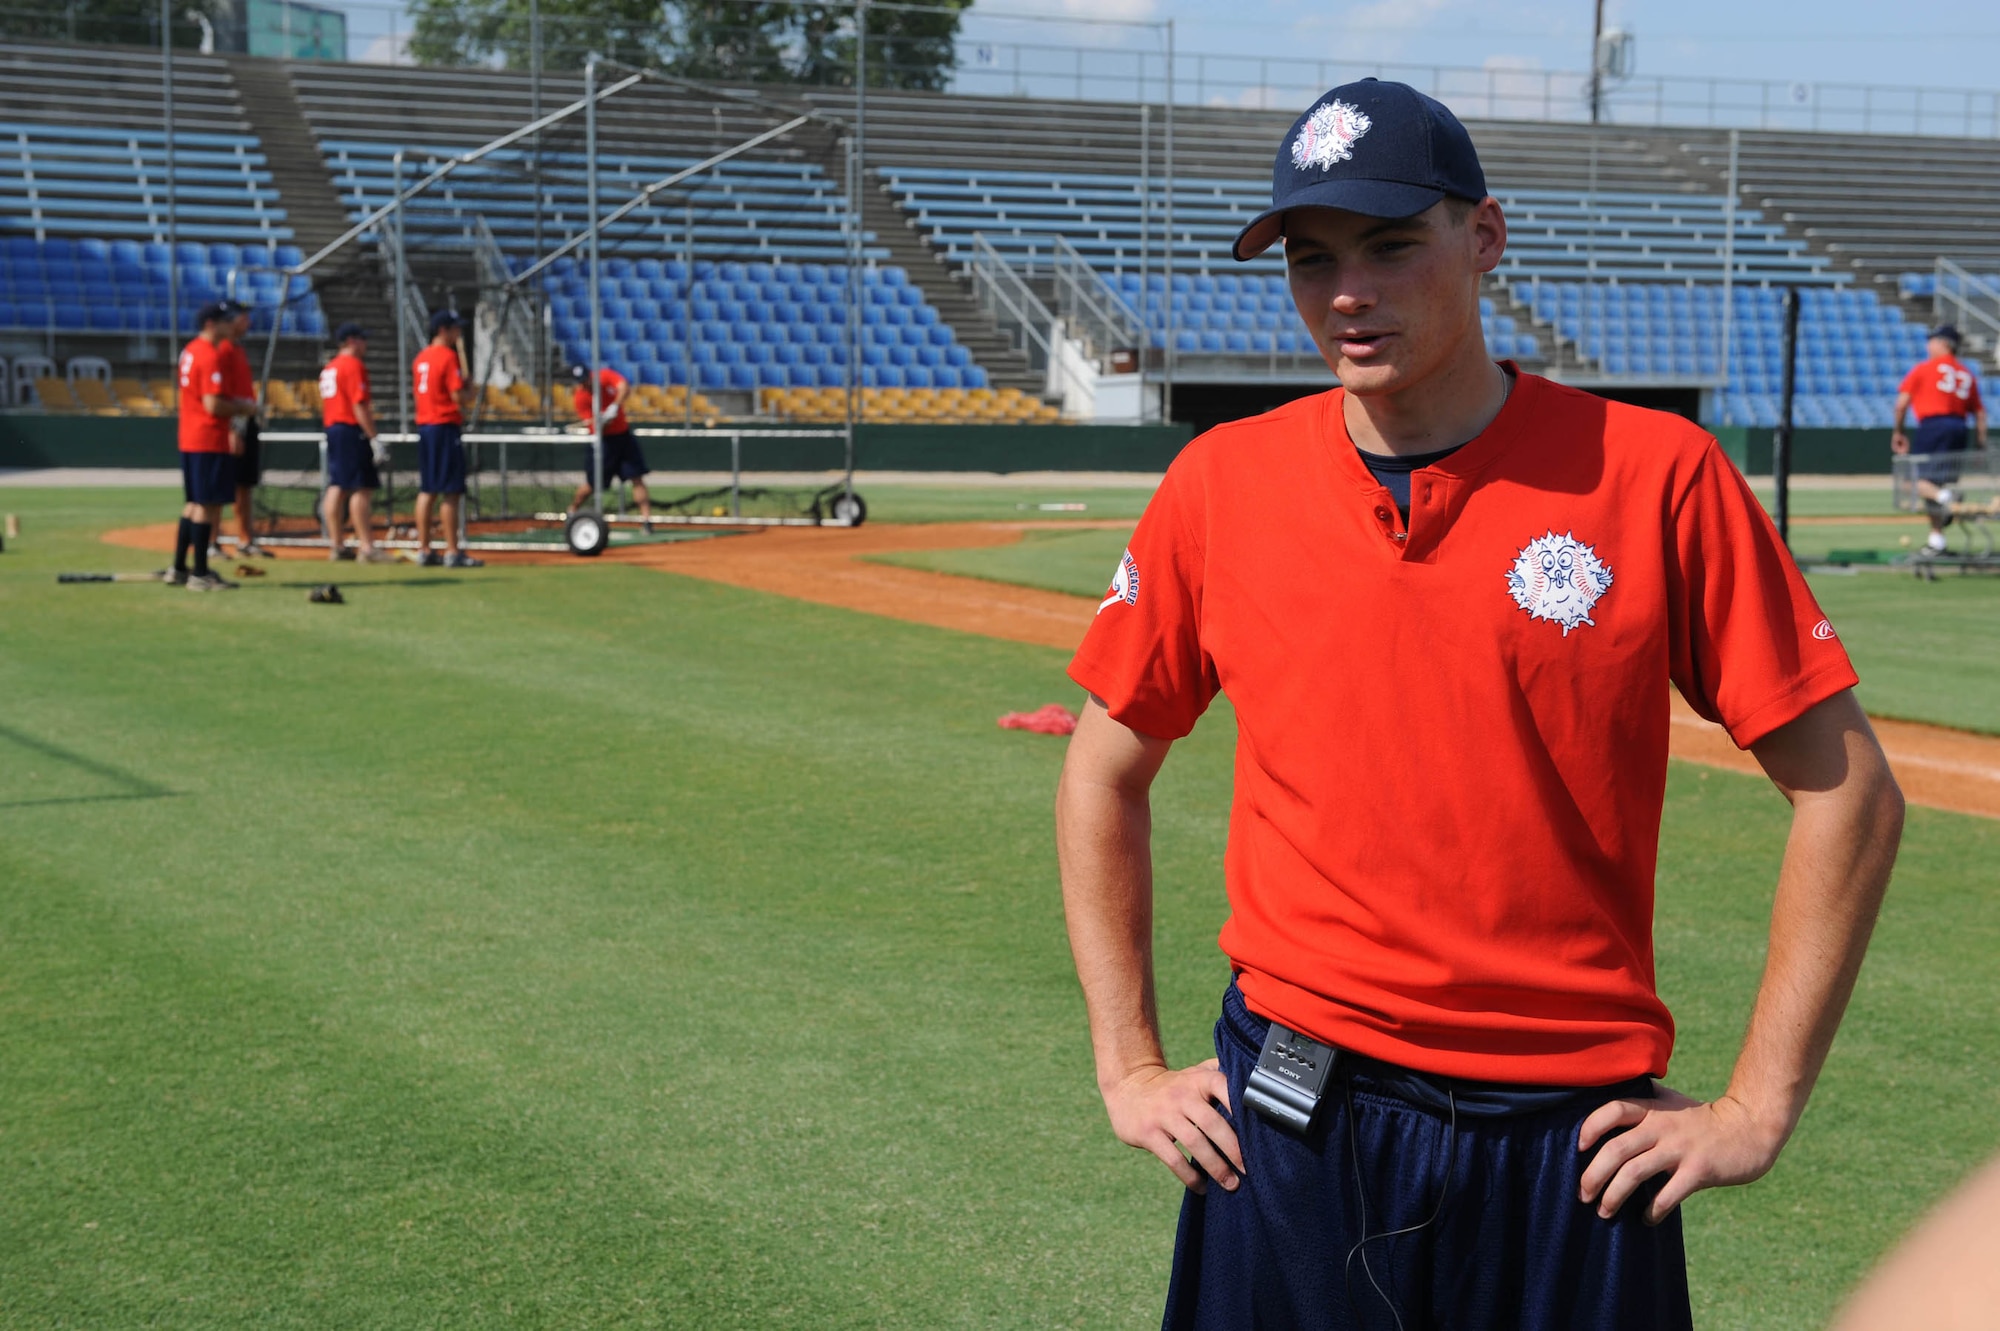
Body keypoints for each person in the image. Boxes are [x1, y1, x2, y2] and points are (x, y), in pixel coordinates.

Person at [1054, 79, 1906, 1330]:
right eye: (1311, 258)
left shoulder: (1653, 475)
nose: (1347, 292)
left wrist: (1753, 1105)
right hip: (1290, 1118)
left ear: (1484, 237)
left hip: (1567, 1147)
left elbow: (1850, 796)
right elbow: (1099, 768)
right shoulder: (1219, 482)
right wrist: (1128, 1063)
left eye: (1391, 244)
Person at [170, 302, 259, 590]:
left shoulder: (191, 350)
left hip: (191, 436)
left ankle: (180, 568)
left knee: (194, 503)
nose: (230, 325)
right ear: (211, 324)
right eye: (225, 321)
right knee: (207, 505)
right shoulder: (209, 354)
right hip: (208, 437)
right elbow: (213, 404)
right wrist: (244, 408)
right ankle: (200, 573)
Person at [1890, 323, 1987, 554]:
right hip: (1959, 428)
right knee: (1938, 483)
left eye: (1932, 340)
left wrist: (1898, 432)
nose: (1928, 345)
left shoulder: (1925, 369)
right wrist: (1980, 445)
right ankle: (1937, 540)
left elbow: (1901, 405)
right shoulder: (1966, 373)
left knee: (1913, 483)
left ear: (1944, 344)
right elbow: (1980, 413)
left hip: (1933, 426)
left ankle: (1946, 497)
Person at [411, 309, 481, 569]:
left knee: (428, 489)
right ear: (443, 330)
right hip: (444, 425)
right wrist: (469, 390)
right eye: (454, 329)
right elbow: (457, 397)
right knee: (451, 491)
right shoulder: (447, 356)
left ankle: (424, 548)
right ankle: (452, 551)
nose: (458, 333)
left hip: (426, 425)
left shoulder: (421, 358)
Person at [319, 322, 390, 563]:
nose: (366, 344)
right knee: (361, 487)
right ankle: (367, 547)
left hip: (333, 427)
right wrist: (373, 438)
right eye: (362, 339)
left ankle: (336, 544)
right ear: (352, 341)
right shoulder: (352, 365)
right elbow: (359, 405)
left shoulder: (330, 366)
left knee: (337, 485)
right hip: (350, 428)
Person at [215, 299, 274, 559]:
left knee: (245, 486)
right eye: (242, 316)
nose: (247, 322)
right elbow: (223, 396)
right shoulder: (224, 350)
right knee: (218, 488)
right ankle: (212, 541)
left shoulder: (237, 349)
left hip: (246, 420)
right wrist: (233, 429)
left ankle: (245, 540)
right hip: (232, 423)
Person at [570, 361, 653, 526]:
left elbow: (624, 387)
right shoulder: (580, 398)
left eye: (586, 379)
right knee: (592, 484)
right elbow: (593, 427)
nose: (585, 383)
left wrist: (614, 407)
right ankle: (572, 511)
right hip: (603, 443)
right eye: (581, 382)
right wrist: (603, 420)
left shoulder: (604, 376)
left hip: (623, 437)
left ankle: (646, 520)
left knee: (636, 477)